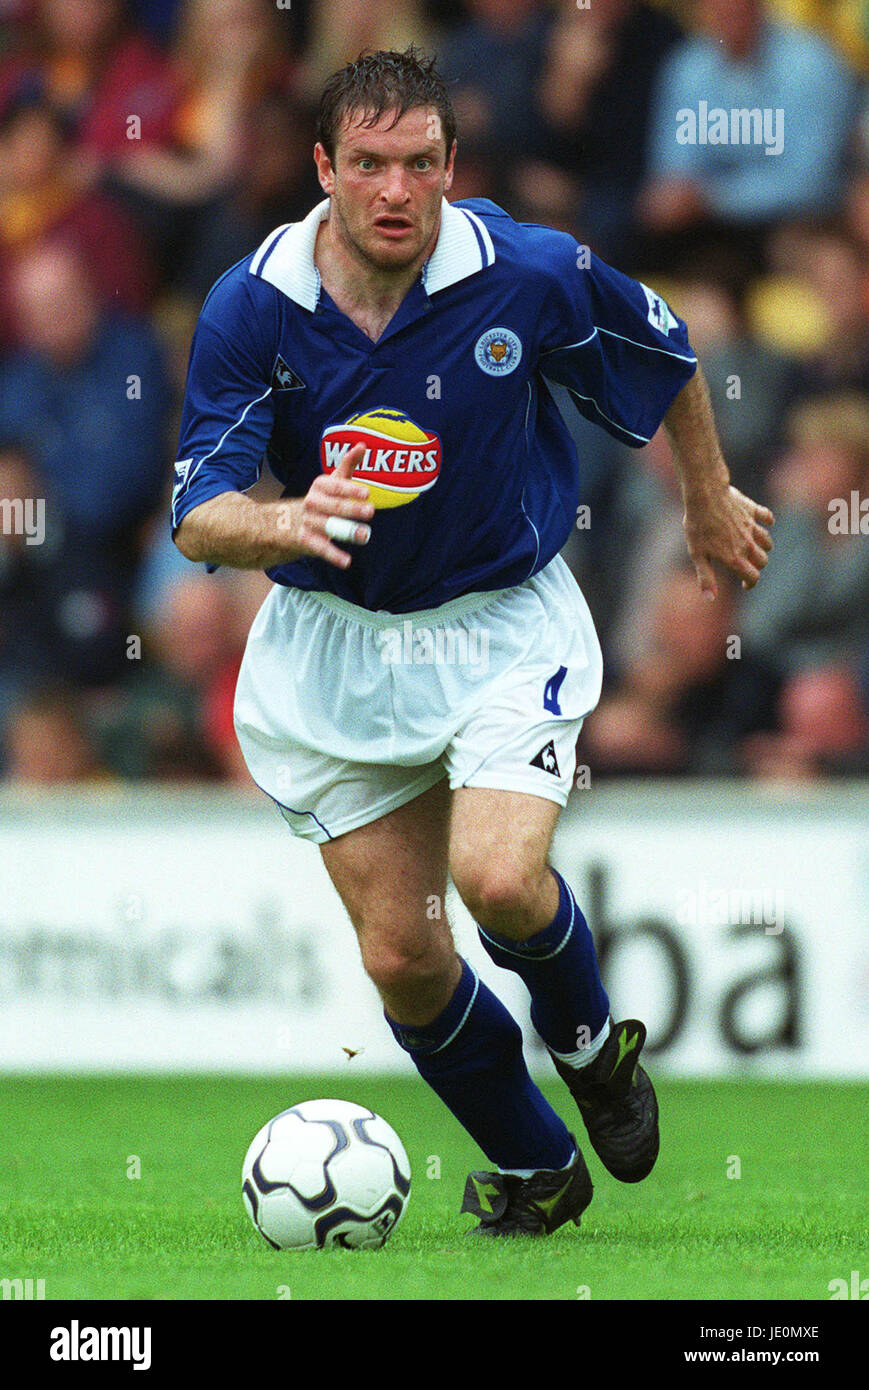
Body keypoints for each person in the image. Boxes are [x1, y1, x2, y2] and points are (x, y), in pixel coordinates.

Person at [171, 49, 774, 1237]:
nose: (393, 191)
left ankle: (593, 1049)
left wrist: (706, 498)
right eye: (366, 165)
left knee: (496, 878)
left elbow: (664, 351)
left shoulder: (530, 270)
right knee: (401, 955)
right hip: (333, 642)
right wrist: (281, 520)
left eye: (416, 165)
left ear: (451, 167)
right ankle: (540, 1167)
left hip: (500, 623)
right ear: (322, 170)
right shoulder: (254, 301)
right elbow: (199, 505)